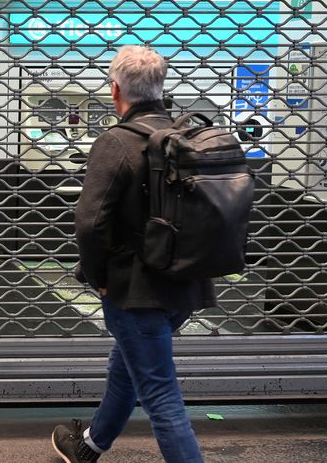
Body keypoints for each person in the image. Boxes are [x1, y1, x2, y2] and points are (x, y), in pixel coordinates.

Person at [51, 46, 214, 463]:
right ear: (160, 87)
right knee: (127, 365)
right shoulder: (187, 138)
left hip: (137, 292)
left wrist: (97, 277)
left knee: (160, 394)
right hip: (184, 283)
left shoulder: (117, 143)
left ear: (116, 90)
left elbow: (89, 223)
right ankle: (90, 445)